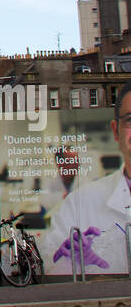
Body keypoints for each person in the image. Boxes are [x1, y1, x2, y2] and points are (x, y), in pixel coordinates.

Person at [48, 82, 131, 274]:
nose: (72, 166)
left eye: (75, 162)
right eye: (130, 119)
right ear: (116, 130)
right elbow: (51, 264)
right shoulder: (79, 202)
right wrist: (70, 260)